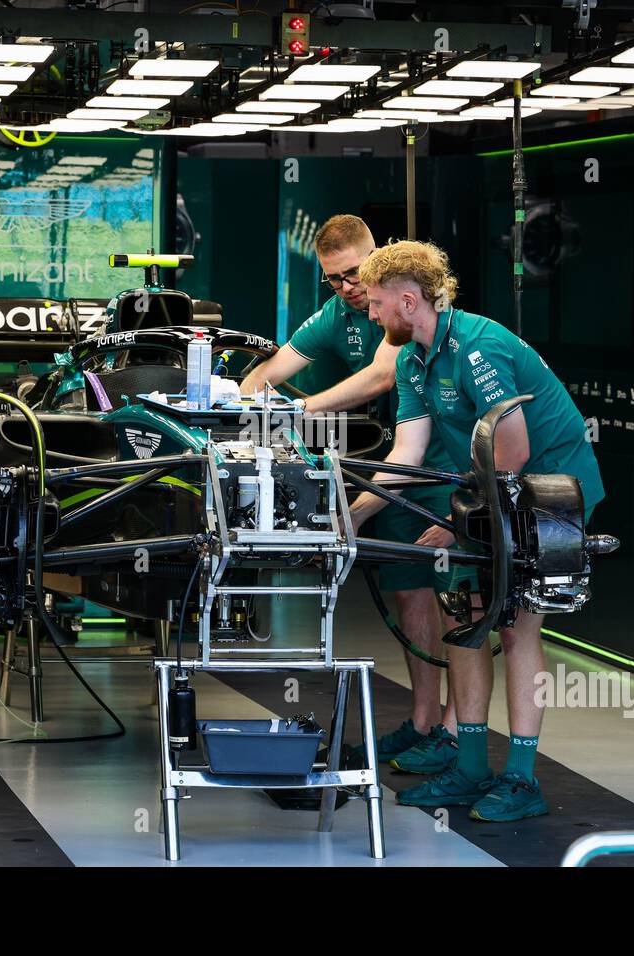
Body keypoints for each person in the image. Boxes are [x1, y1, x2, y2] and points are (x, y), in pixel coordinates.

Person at [348, 239, 604, 823]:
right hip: (491, 491)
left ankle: (520, 777)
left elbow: (513, 452)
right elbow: (409, 450)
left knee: (515, 628)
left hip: (550, 491)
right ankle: (468, 767)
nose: (370, 314)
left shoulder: (479, 346)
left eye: (377, 304)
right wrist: (358, 511)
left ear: (409, 300)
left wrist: (459, 526)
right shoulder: (413, 359)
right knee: (461, 616)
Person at [240, 214, 471, 775]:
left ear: (378, 258)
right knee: (408, 592)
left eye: (353, 275)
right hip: (397, 462)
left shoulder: (407, 303)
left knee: (456, 599)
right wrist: (241, 401)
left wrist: (298, 409)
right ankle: (422, 721)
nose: (347, 289)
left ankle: (456, 730)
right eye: (333, 280)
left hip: (448, 462)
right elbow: (267, 374)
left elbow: (380, 377)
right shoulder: (337, 313)